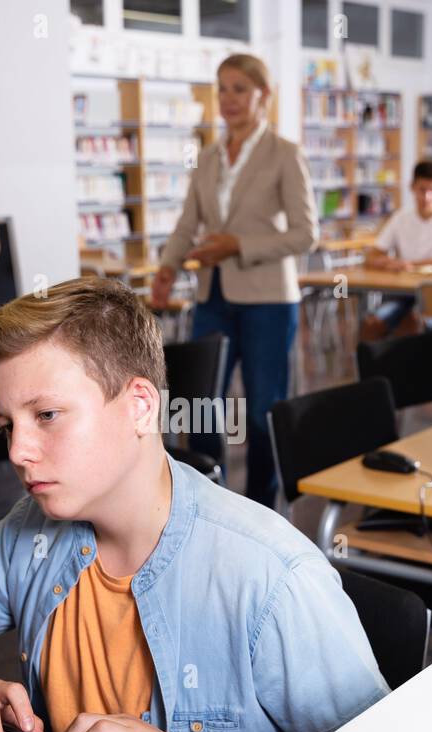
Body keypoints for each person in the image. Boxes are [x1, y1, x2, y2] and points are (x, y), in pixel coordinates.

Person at [0, 276, 388, 732]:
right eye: (7, 425)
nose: (18, 450)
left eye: (46, 415)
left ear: (139, 405)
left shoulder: (271, 574)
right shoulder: (28, 530)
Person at [151, 53, 317, 509]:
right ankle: (209, 503)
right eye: (222, 89)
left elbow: (306, 233)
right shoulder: (207, 158)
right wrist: (167, 267)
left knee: (262, 410)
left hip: (268, 299)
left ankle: (262, 507)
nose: (228, 99)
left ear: (264, 95)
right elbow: (188, 223)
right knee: (200, 403)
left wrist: (237, 245)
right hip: (213, 296)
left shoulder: (285, 154)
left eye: (240, 88)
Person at [359, 159, 432, 341]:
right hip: (402, 291)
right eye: (421, 190)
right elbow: (372, 255)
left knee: (420, 323)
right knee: (372, 324)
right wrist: (383, 261)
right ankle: (382, 368)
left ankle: (422, 365)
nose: (427, 197)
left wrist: (407, 263)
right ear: (412, 187)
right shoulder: (401, 217)